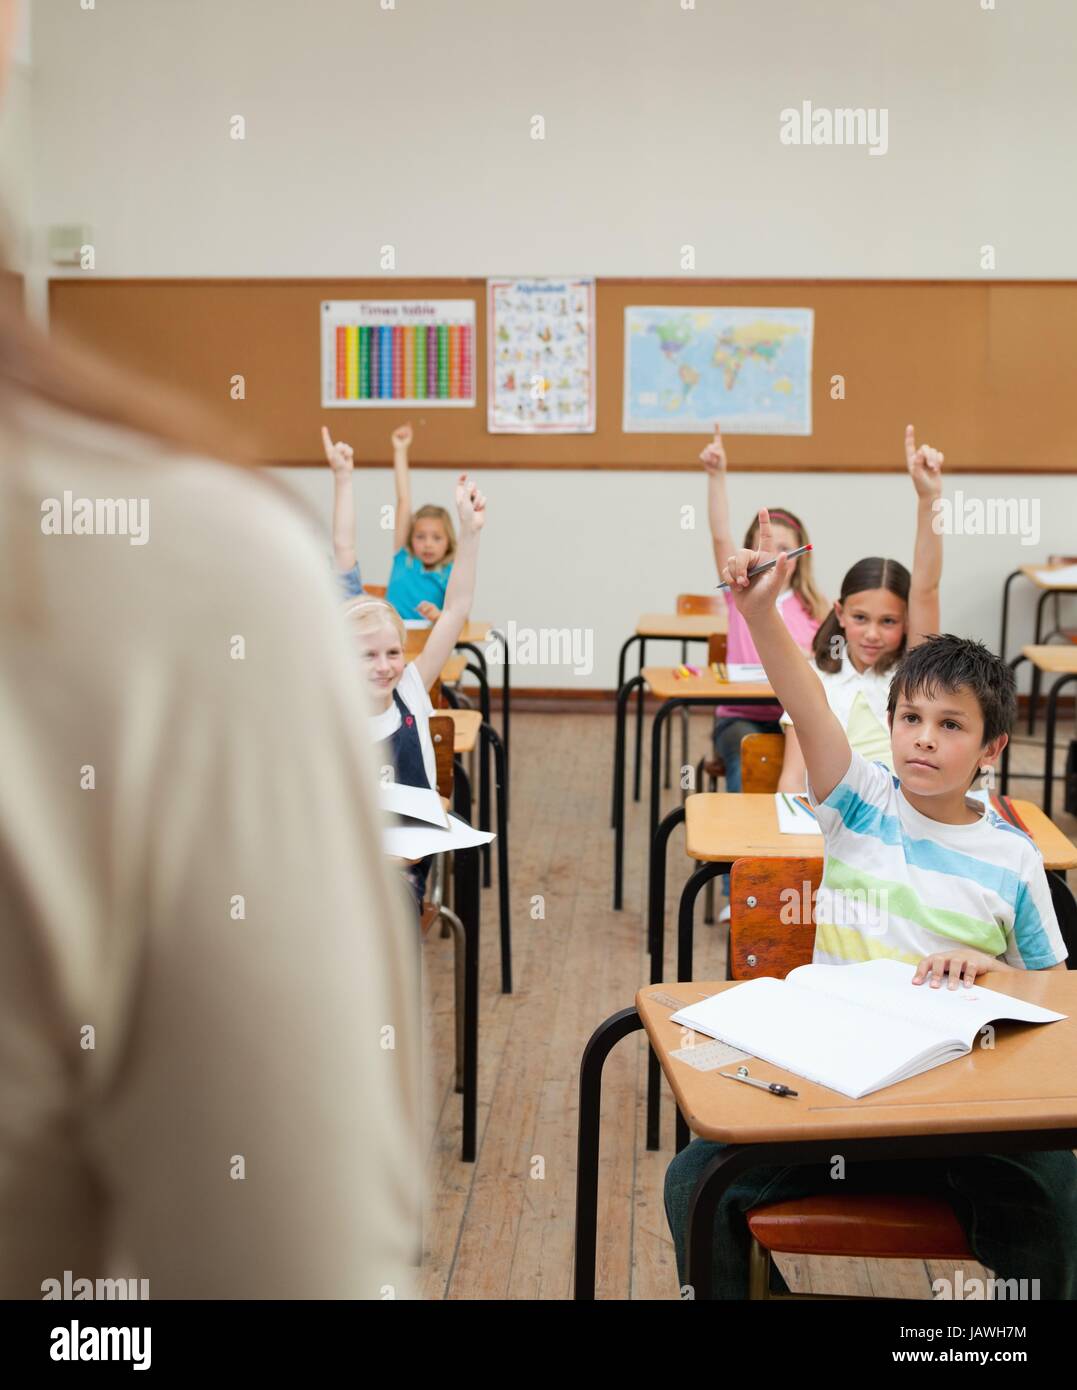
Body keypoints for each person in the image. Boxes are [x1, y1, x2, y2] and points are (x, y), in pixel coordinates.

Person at [663, 509, 1075, 1299]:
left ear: (991, 750)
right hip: (842, 1095)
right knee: (698, 1181)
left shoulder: (1014, 858)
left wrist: (993, 972)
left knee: (1058, 1208)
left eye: (949, 725)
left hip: (969, 1111)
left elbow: (1055, 999)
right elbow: (805, 700)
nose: (922, 738)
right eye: (909, 719)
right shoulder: (858, 802)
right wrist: (757, 610)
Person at [345, 473, 486, 913]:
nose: (385, 665)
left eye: (393, 652)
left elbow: (457, 606)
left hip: (403, 867)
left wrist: (470, 531)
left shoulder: (410, 686)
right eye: (368, 656)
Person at [777, 424, 944, 789]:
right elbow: (793, 775)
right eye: (860, 618)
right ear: (839, 614)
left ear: (907, 622)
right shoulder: (816, 679)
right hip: (837, 825)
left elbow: (927, 587)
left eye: (888, 621)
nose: (872, 633)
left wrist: (928, 500)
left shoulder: (913, 673)